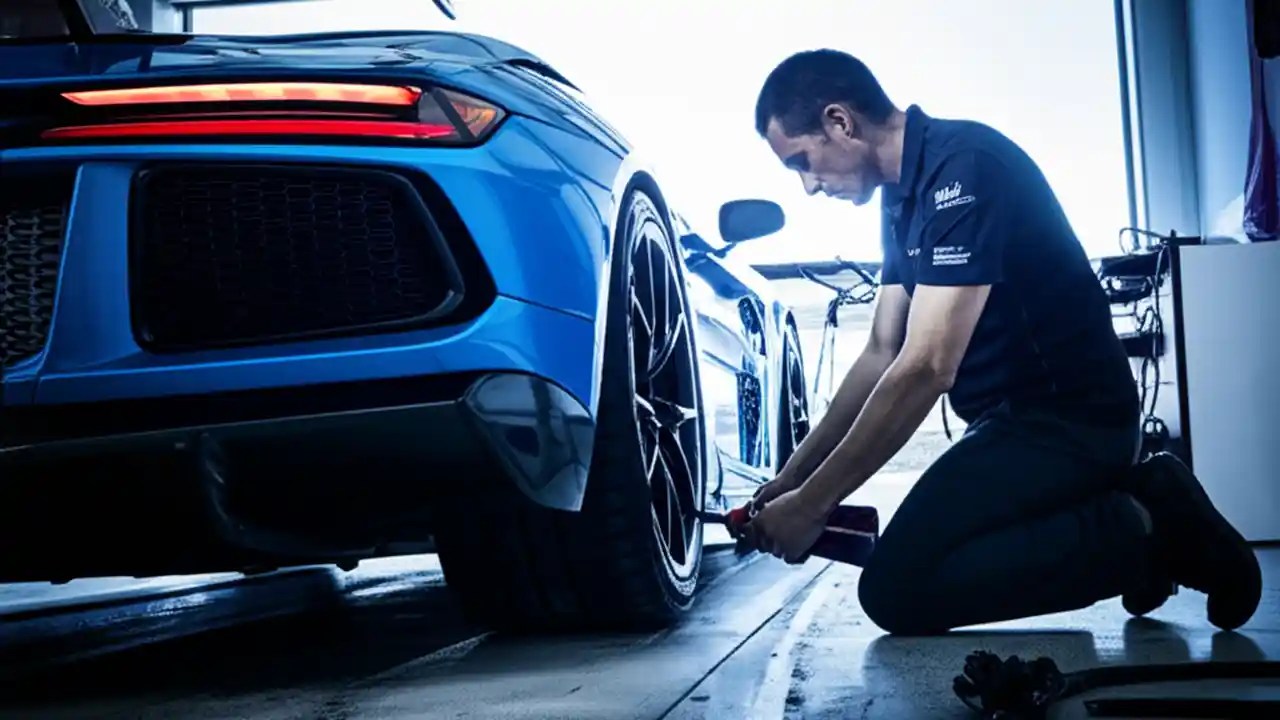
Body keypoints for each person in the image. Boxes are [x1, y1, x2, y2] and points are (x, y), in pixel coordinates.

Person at [741, 49, 1262, 634]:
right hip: (1008, 426)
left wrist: (814, 506)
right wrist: (793, 480)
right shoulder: (900, 198)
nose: (809, 187)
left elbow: (927, 366)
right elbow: (881, 354)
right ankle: (1122, 514)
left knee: (897, 590)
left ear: (840, 122)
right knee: (916, 566)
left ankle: (1146, 524)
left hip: (1073, 421)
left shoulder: (966, 168)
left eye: (802, 163)